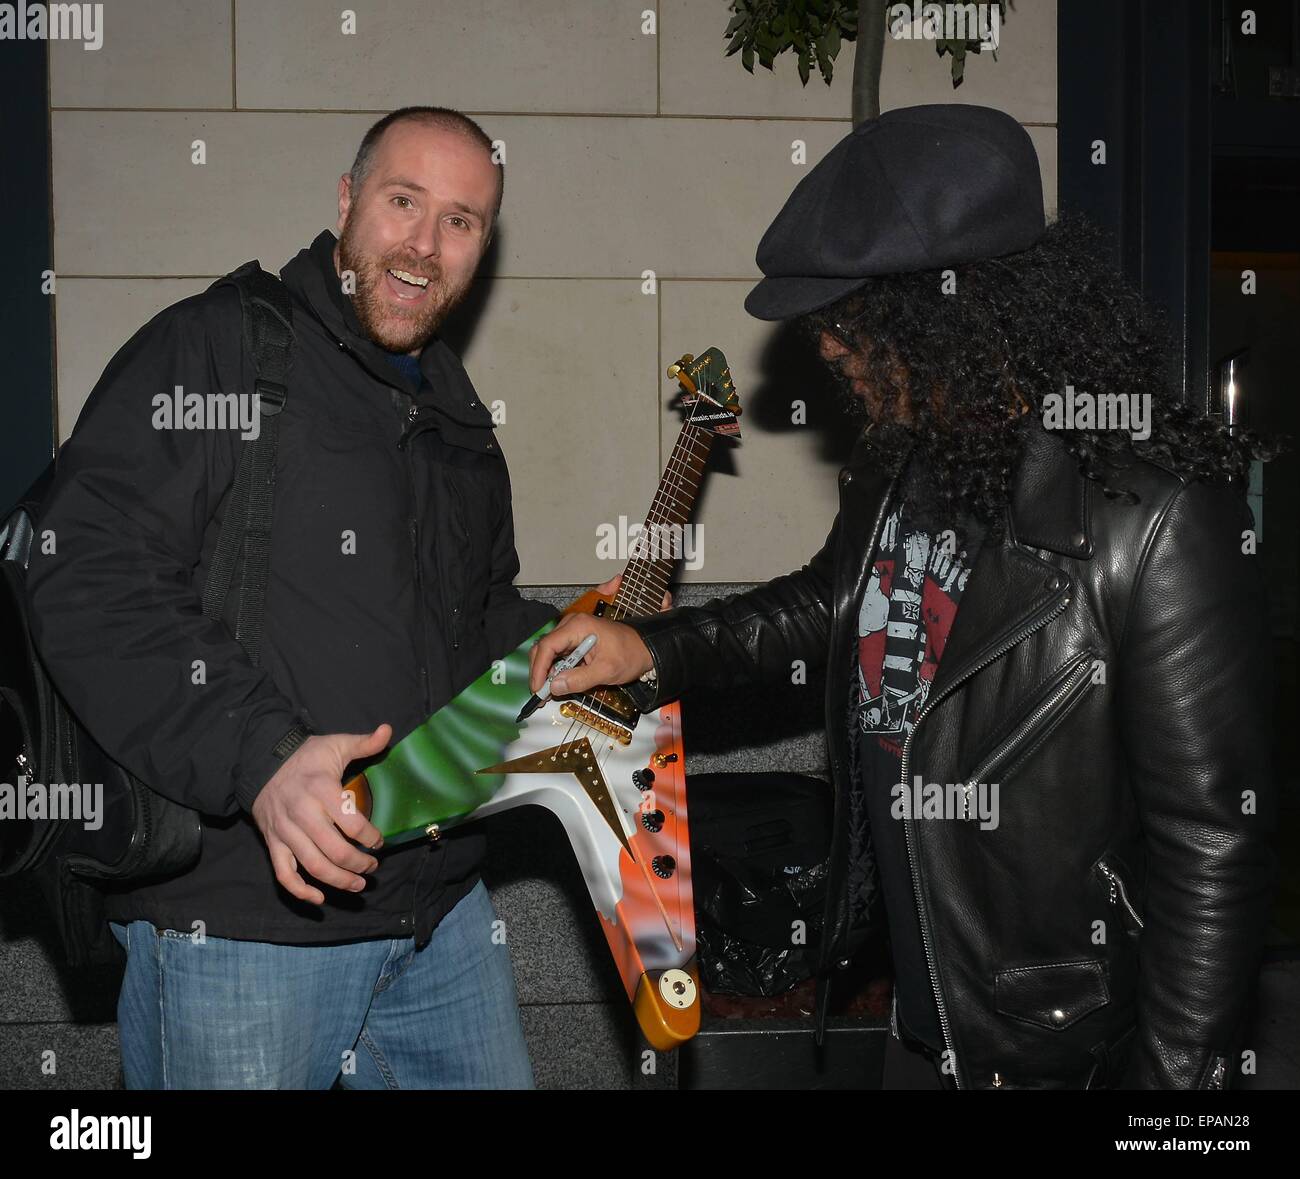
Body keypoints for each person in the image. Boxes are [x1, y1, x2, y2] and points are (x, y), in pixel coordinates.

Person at [529, 104, 1280, 1090]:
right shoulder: (900, 459)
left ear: (947, 312)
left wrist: (1171, 1100)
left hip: (1060, 1048)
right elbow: (826, 611)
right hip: (921, 1026)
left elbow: (1212, 844)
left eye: (848, 322)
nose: (829, 350)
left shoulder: (1154, 516)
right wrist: (654, 651)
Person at [27, 106, 560, 1089]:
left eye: (461, 221)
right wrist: (262, 760)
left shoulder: (456, 419)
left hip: (437, 913)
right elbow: (80, 565)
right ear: (349, 202)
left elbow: (475, 616)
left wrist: (567, 644)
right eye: (403, 202)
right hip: (241, 928)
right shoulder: (224, 350)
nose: (423, 245)